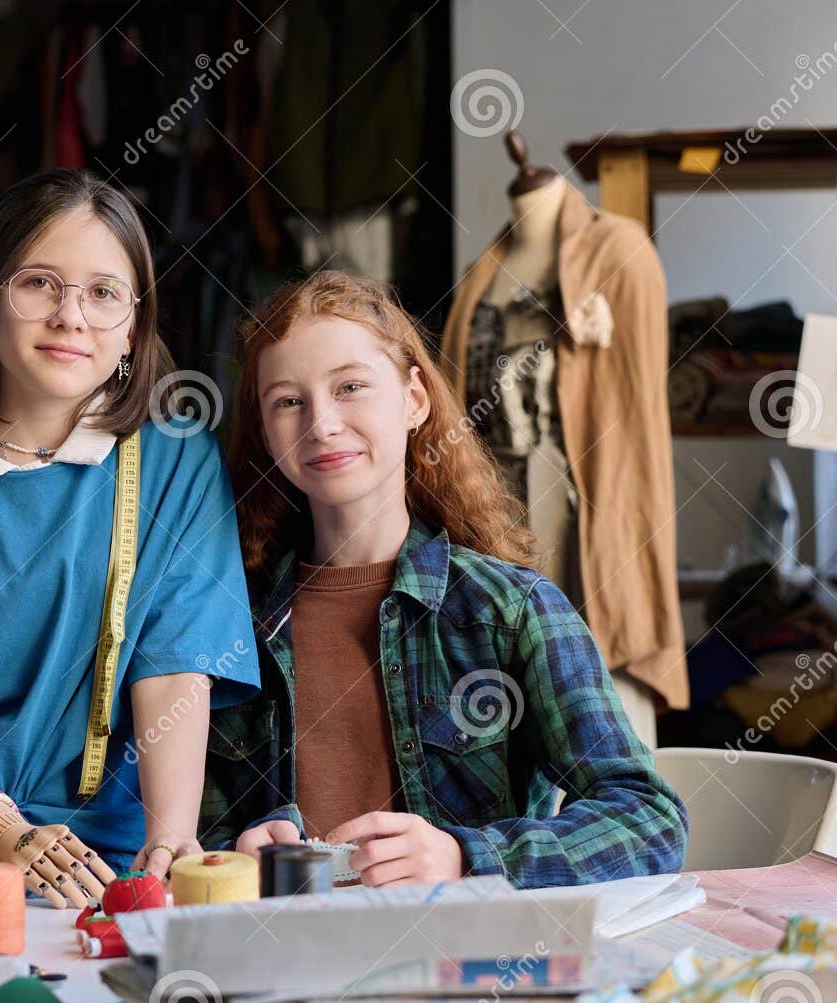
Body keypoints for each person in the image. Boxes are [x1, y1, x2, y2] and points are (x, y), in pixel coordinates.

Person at [0, 169, 260, 908]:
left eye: (103, 293)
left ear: (132, 326)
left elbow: (174, 668)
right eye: (39, 283)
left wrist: (170, 840)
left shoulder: (178, 463)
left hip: (128, 866)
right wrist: (14, 840)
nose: (72, 316)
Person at [203, 270, 686, 888]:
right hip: (290, 957)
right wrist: (233, 854)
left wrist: (464, 856)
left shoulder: (513, 610)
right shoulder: (227, 620)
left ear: (414, 400)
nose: (321, 423)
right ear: (266, 430)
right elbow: (182, 836)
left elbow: (649, 821)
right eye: (288, 401)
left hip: (469, 964)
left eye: (350, 386)